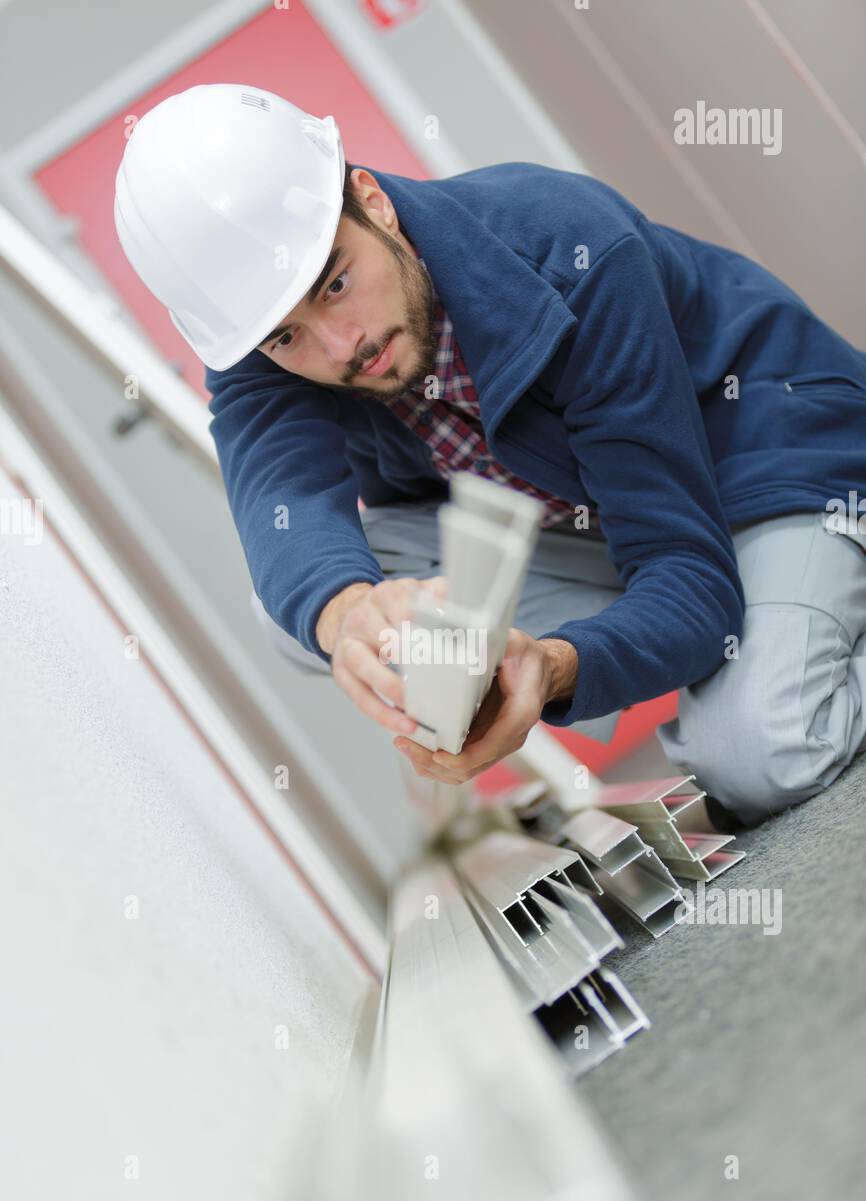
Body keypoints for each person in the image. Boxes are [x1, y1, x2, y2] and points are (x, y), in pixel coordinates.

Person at [114, 84, 866, 828]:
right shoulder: (266, 337)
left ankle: (820, 589)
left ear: (372, 200)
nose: (344, 345)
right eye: (287, 336)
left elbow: (687, 572)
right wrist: (356, 619)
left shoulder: (571, 249)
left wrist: (558, 666)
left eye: (337, 284)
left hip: (770, 469)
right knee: (304, 607)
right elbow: (286, 507)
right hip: (591, 518)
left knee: (758, 756)